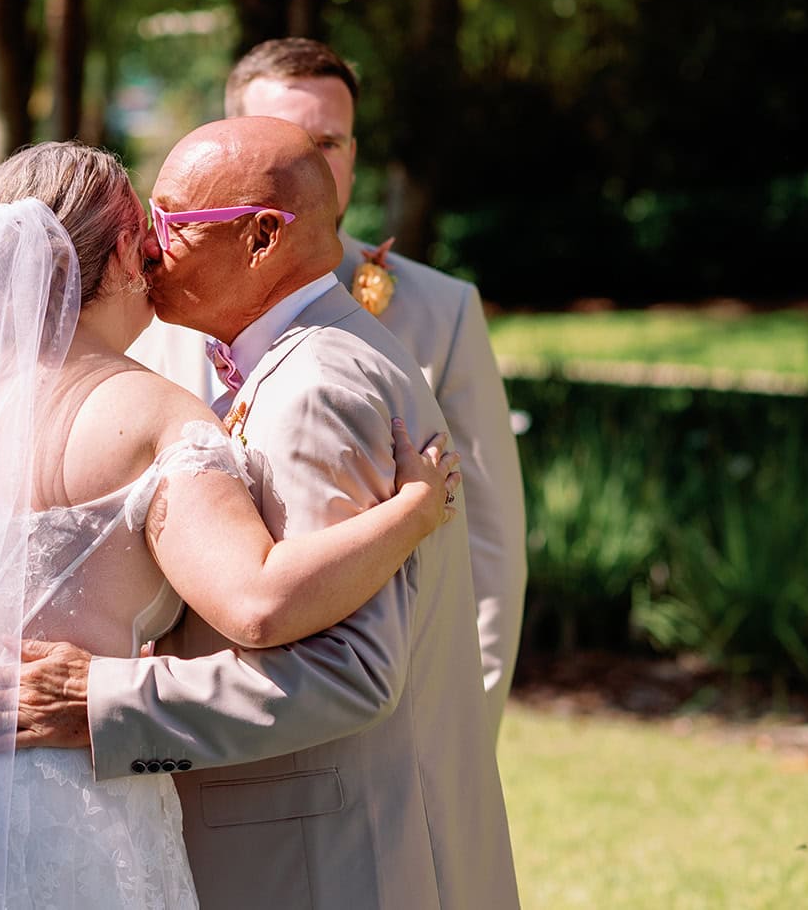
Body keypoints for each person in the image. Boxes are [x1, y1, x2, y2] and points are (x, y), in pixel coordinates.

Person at [0, 141, 463, 909]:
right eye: (153, 234)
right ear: (127, 252)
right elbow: (258, 605)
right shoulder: (149, 413)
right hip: (51, 815)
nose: (162, 256)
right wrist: (411, 512)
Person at [0, 119, 520, 909]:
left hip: (315, 860)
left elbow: (348, 673)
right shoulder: (302, 363)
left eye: (170, 223)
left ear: (264, 238)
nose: (148, 247)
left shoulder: (317, 392)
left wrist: (103, 701)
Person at [130, 37, 527, 743]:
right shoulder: (149, 307)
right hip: (195, 733)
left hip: (359, 740)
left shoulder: (441, 311)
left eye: (329, 141)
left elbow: (488, 541)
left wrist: (466, 723)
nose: (311, 157)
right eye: (284, 136)